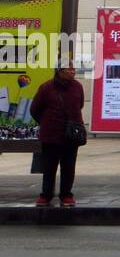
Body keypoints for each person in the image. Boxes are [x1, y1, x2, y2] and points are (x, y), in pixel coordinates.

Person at [30, 60, 85, 207]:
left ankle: (66, 194)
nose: (73, 71)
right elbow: (35, 109)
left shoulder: (78, 87)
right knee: (49, 166)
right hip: (51, 134)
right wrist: (47, 122)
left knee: (68, 166)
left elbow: (80, 105)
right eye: (69, 69)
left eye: (74, 69)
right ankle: (46, 195)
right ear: (59, 71)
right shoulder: (46, 88)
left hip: (71, 134)